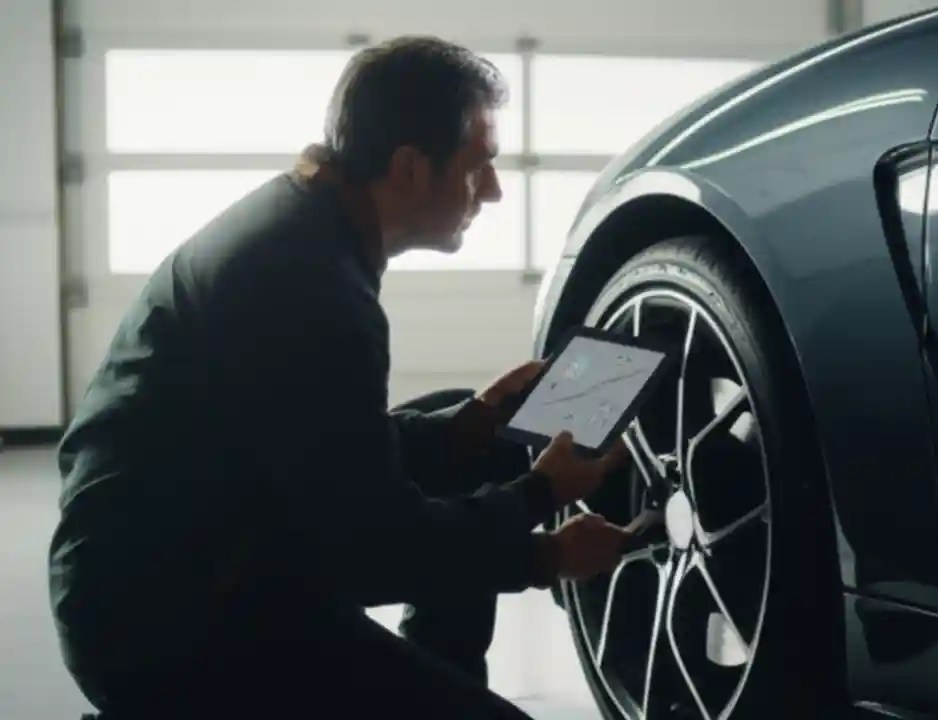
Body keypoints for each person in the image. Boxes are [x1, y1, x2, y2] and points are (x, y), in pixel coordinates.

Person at [48, 35, 632, 718]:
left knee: (462, 429)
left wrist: (469, 422)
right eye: (480, 167)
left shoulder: (306, 225)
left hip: (200, 549)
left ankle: (439, 680)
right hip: (168, 628)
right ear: (411, 167)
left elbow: (313, 443)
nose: (496, 191)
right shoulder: (312, 290)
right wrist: (542, 526)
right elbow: (373, 552)